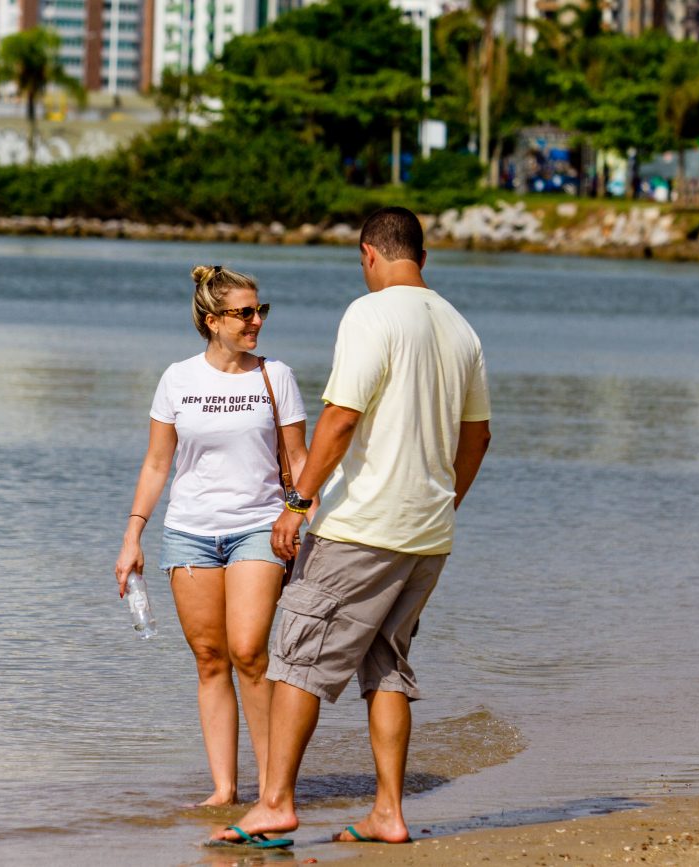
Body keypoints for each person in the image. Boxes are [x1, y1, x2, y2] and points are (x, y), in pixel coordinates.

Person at [211, 207, 491, 847]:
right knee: (385, 664)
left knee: (297, 659)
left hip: (362, 527)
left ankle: (275, 805)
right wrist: (444, 503)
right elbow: (477, 437)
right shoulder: (461, 327)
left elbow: (340, 418)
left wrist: (297, 503)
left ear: (368, 254)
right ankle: (387, 813)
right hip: (427, 535)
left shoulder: (371, 313)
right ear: (421, 256)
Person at [116, 265, 308, 807]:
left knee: (249, 653)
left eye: (259, 310)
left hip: (258, 528)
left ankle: (273, 789)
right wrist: (133, 537)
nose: (256, 321)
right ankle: (224, 789)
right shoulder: (177, 379)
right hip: (190, 533)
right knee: (209, 658)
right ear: (211, 320)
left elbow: (300, 460)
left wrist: (301, 517)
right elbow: (158, 464)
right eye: (244, 313)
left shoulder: (276, 376)